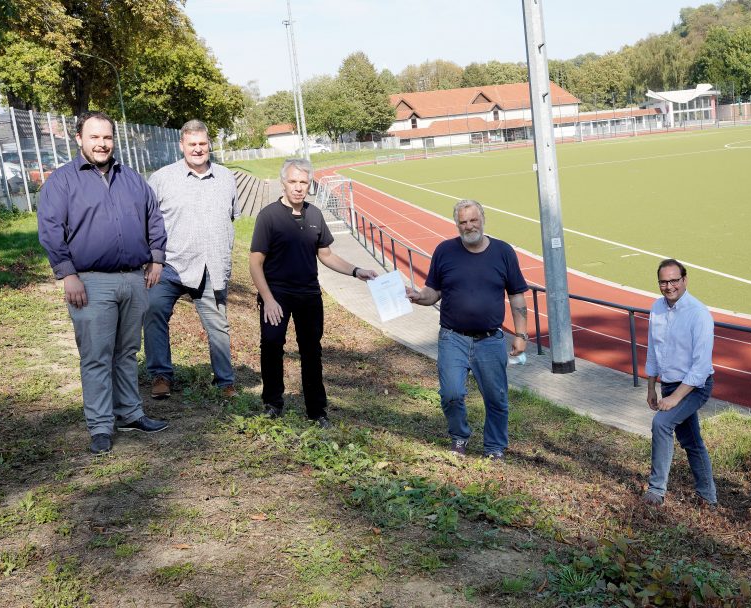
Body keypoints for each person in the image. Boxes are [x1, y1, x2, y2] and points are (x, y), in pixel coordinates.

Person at [37, 111, 169, 455]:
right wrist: (68, 274)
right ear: (79, 139)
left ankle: (130, 413)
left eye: (107, 137)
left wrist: (156, 257)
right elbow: (51, 231)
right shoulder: (62, 181)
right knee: (96, 356)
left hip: (133, 279)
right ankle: (100, 425)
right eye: (94, 137)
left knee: (127, 352)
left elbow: (153, 217)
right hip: (90, 282)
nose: (102, 143)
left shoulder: (132, 179)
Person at [249, 158, 376, 427]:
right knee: (272, 346)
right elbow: (255, 262)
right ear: (283, 182)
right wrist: (269, 299)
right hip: (277, 295)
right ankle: (272, 403)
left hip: (309, 295)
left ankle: (317, 411)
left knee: (311, 351)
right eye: (293, 181)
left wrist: (356, 271)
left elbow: (326, 255)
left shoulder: (315, 215)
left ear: (309, 185)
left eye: (303, 182)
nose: (298, 187)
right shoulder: (268, 216)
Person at [406, 199, 529, 460]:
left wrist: (521, 334)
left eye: (473, 220)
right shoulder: (444, 251)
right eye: (463, 222)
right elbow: (433, 292)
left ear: (483, 218)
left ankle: (494, 447)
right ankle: (459, 437)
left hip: (490, 340)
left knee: (496, 399)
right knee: (451, 394)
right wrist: (419, 296)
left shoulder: (503, 252)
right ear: (456, 224)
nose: (469, 226)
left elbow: (517, 295)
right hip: (453, 338)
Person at [144, 119, 240, 400]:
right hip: (169, 265)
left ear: (209, 144)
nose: (198, 149)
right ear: (182, 145)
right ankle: (160, 375)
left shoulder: (226, 178)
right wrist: (152, 260)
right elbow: (148, 222)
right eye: (192, 144)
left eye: (202, 144)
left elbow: (231, 216)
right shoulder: (161, 179)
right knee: (153, 312)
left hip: (210, 267)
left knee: (218, 327)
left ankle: (225, 382)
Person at [641, 259, 717, 508]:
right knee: (691, 441)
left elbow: (701, 368)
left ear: (685, 280)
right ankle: (708, 496)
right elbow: (653, 349)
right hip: (668, 384)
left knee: (661, 424)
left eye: (674, 280)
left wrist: (676, 398)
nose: (669, 286)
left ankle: (656, 491)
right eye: (664, 281)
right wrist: (651, 386)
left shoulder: (699, 314)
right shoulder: (657, 308)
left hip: (695, 387)